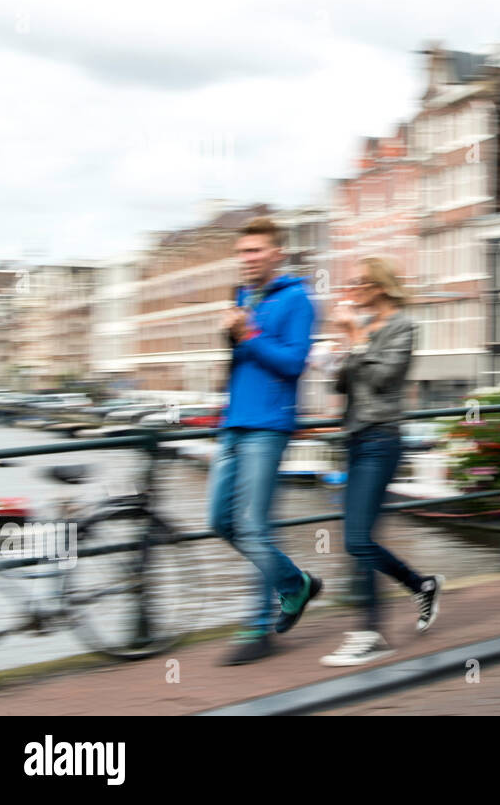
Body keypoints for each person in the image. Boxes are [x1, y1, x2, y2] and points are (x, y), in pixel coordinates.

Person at [209, 217, 320, 666]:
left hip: (268, 427)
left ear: (277, 253)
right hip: (234, 423)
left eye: (255, 251)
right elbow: (241, 360)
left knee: (254, 526)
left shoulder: (298, 299)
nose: (247, 259)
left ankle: (257, 629)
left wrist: (247, 334)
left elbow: (294, 364)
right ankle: (296, 584)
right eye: (242, 252)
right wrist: (229, 336)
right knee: (219, 520)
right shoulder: (242, 297)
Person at [320, 258, 443, 666]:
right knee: (359, 540)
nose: (351, 289)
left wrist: (355, 337)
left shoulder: (402, 327)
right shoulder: (365, 329)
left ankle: (372, 631)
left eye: (359, 283)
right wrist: (343, 344)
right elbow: (339, 383)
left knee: (356, 540)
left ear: (380, 288)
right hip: (353, 441)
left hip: (381, 441)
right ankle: (419, 587)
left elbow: (383, 379)